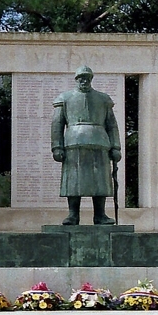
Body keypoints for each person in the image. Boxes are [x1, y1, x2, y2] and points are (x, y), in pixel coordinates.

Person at [51, 66, 122, 225]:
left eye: (87, 77)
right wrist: (57, 147)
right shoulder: (65, 98)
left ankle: (100, 215)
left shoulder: (103, 99)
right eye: (81, 78)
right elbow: (57, 124)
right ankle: (73, 215)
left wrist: (116, 147)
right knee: (74, 182)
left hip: (100, 143)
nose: (84, 80)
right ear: (76, 79)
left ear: (91, 79)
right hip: (74, 144)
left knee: (100, 181)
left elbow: (111, 125)